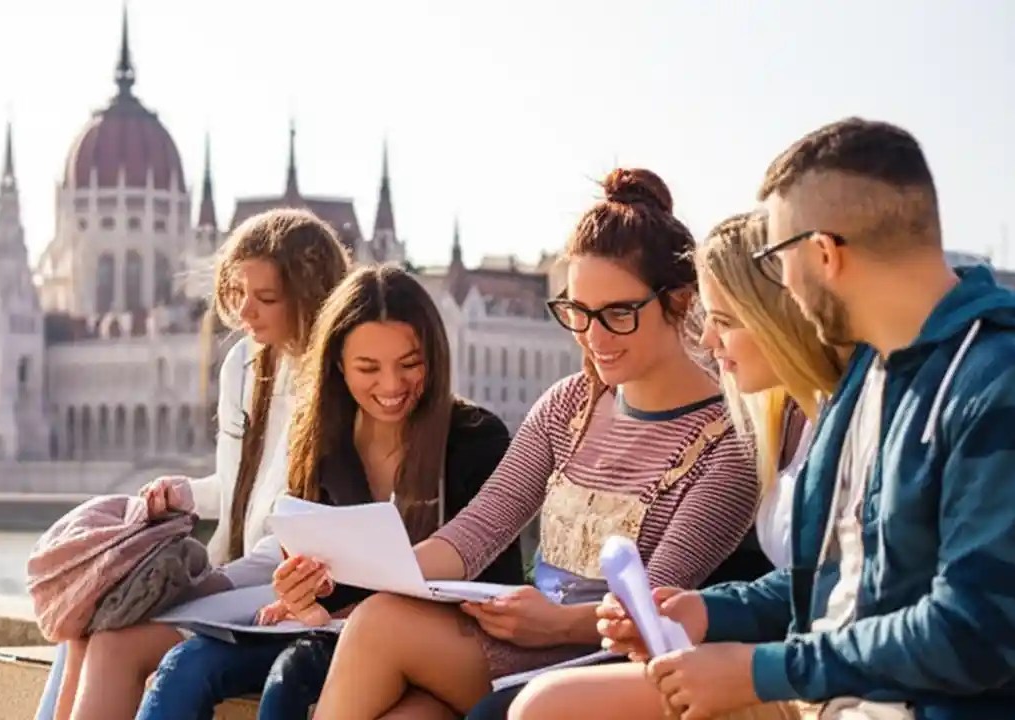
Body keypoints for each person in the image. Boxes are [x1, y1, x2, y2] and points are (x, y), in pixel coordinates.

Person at [298, 168, 762, 719]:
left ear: (680, 301)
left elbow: (659, 600)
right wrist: (341, 572)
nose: (594, 338)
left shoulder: (727, 441)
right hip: (519, 645)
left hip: (607, 667)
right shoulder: (570, 403)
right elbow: (477, 531)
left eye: (618, 314)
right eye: (577, 313)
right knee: (394, 670)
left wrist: (556, 623)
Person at [600, 118, 1015, 720]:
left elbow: (975, 631)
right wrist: (708, 611)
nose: (782, 287)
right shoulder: (870, 377)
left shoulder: (994, 381)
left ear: (824, 253)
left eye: (777, 256)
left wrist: (761, 671)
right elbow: (835, 579)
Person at [133, 264, 525, 720]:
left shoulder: (476, 438)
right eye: (368, 368)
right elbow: (315, 575)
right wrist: (298, 592)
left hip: (440, 644)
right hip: (326, 630)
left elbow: (495, 584)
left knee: (293, 675)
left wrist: (344, 613)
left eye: (410, 364)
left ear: (434, 358)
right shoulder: (320, 437)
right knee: (187, 663)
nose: (392, 386)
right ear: (338, 364)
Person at [505, 210, 845, 719]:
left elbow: (859, 592)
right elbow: (808, 583)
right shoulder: (778, 415)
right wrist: (707, 610)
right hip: (790, 661)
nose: (707, 338)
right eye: (579, 311)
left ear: (778, 316)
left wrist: (748, 658)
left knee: (541, 706)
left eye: (724, 320)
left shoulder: (761, 430)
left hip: (818, 677)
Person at [40, 208, 350, 720]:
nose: (246, 312)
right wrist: (185, 494)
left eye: (266, 298)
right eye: (238, 293)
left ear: (310, 296)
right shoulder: (243, 365)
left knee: (115, 639)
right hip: (236, 571)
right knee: (85, 625)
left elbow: (300, 523)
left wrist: (212, 581)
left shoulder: (335, 379)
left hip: (284, 589)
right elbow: (236, 491)